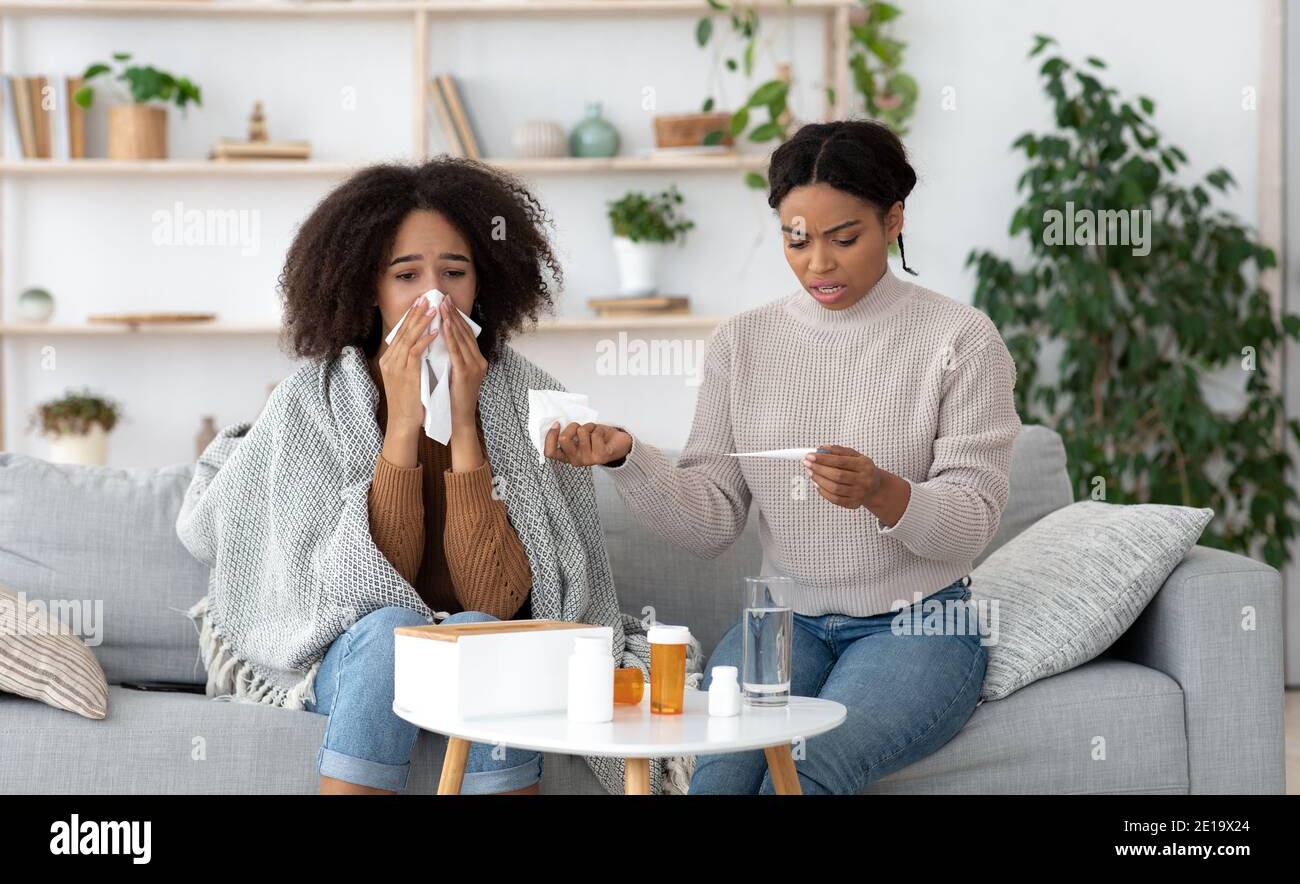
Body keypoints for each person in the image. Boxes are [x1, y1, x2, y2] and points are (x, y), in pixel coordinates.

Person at [544, 119, 1022, 794]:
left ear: (893, 220)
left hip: (919, 624)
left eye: (844, 239)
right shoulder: (743, 344)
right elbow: (711, 523)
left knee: (804, 770)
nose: (818, 263)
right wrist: (627, 458)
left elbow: (972, 521)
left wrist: (882, 491)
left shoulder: (962, 340)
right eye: (797, 240)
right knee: (716, 780)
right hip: (783, 624)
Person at [277, 158, 565, 795]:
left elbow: (497, 601)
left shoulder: (526, 398)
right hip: (359, 650)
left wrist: (464, 424)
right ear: (369, 288)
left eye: (454, 273)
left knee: (485, 635)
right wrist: (403, 423)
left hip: (472, 644)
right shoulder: (315, 399)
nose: (434, 297)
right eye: (406, 275)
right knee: (392, 632)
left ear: (481, 285)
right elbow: (370, 593)